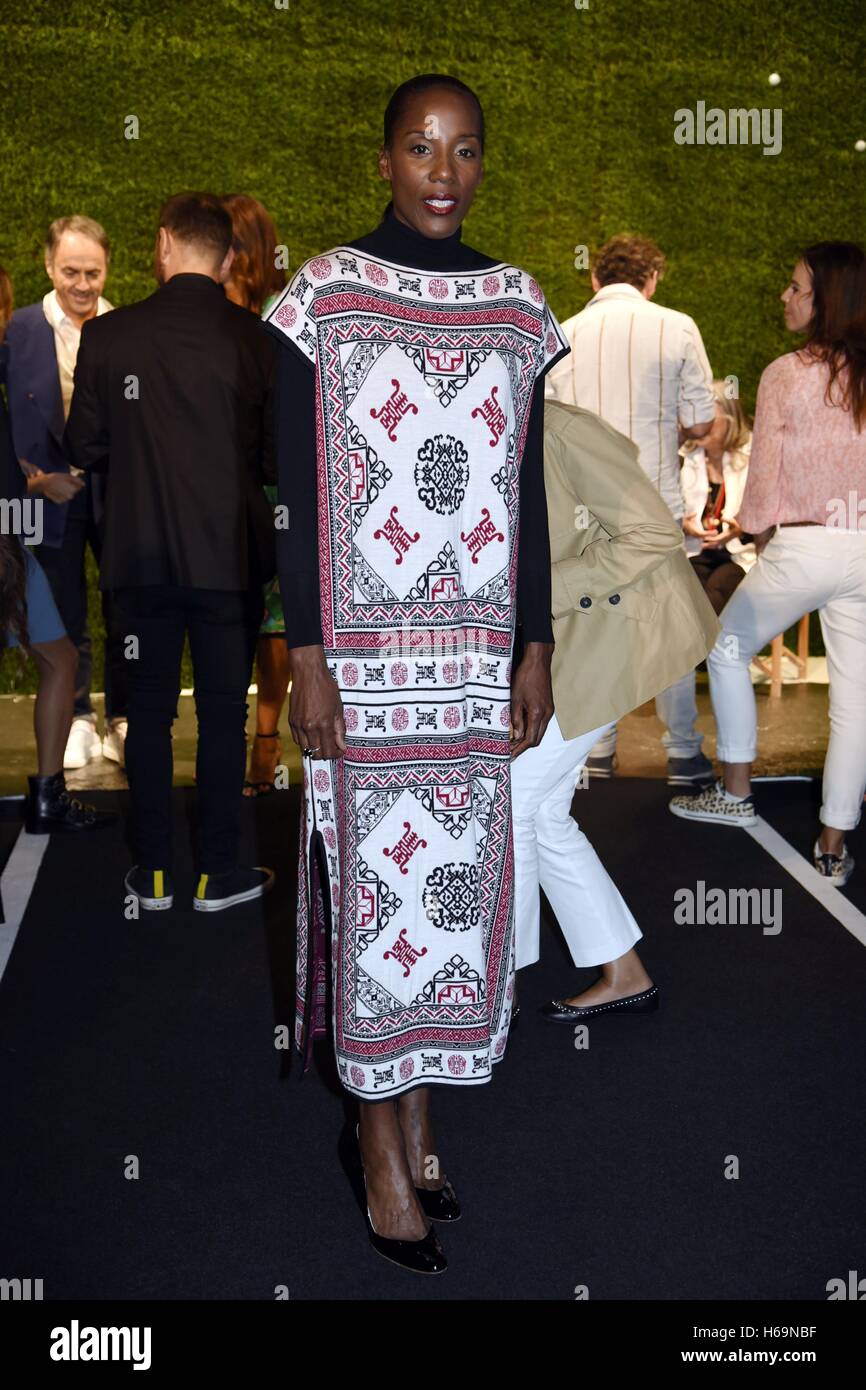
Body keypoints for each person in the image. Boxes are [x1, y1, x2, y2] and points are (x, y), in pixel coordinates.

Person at [264, 74, 567, 1273]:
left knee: (455, 896)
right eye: (420, 147)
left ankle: (424, 1106)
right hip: (364, 665)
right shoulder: (323, 298)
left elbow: (524, 497)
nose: (443, 171)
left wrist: (534, 644)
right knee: (376, 901)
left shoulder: (515, 307)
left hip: (470, 664)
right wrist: (304, 655)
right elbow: (293, 491)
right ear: (384, 157)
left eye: (465, 150)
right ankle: (377, 1140)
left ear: (482, 164)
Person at [66, 192, 278, 911]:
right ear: (227, 259)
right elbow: (277, 457)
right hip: (230, 565)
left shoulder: (109, 337)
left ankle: (153, 874)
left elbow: (83, 446)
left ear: (162, 245)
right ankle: (218, 874)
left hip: (140, 561)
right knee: (224, 713)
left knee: (149, 712)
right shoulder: (257, 340)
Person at [512, 400, 719, 1017]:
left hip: (620, 633)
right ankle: (623, 971)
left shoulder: (563, 429)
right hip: (581, 638)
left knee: (516, 798)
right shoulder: (503, 431)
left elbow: (653, 532)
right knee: (543, 811)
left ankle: (497, 988)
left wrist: (538, 588)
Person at [670, 242, 866, 888]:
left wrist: (746, 529)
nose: (785, 296)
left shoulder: (785, 373)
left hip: (806, 545)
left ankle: (734, 789)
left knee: (725, 645)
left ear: (826, 302)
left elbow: (764, 497)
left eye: (796, 288)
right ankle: (834, 843)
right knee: (856, 701)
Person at [546, 234, 717, 786]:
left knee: (593, 627)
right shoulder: (677, 326)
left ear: (595, 279)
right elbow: (702, 421)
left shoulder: (566, 332)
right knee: (667, 628)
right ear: (652, 279)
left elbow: (550, 424)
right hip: (653, 502)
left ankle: (596, 752)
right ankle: (684, 752)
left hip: (581, 510)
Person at [5, 216, 128, 770]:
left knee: (124, 601)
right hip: (41, 497)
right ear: (50, 267)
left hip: (116, 491)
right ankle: (77, 714)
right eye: (71, 271)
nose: (83, 284)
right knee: (59, 607)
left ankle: (122, 716)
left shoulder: (126, 326)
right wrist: (24, 476)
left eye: (94, 272)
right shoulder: (19, 328)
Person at [1, 266, 112, 833]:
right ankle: (47, 797)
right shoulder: (23, 337)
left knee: (61, 657)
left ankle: (48, 797)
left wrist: (24, 483)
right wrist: (38, 487)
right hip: (8, 545)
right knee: (61, 658)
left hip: (12, 541)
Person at [220, 193, 290, 796]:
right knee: (228, 614)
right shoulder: (204, 309)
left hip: (271, 485)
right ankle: (233, 746)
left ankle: (264, 751)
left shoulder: (279, 311)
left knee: (275, 619)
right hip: (213, 484)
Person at [681, 380, 756, 614]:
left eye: (709, 418)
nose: (699, 426)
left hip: (737, 556)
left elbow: (770, 521)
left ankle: (699, 650)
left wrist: (742, 528)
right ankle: (711, 650)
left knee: (716, 593)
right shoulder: (683, 456)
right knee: (686, 591)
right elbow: (660, 514)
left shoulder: (753, 458)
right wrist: (681, 524)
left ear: (731, 420)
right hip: (693, 552)